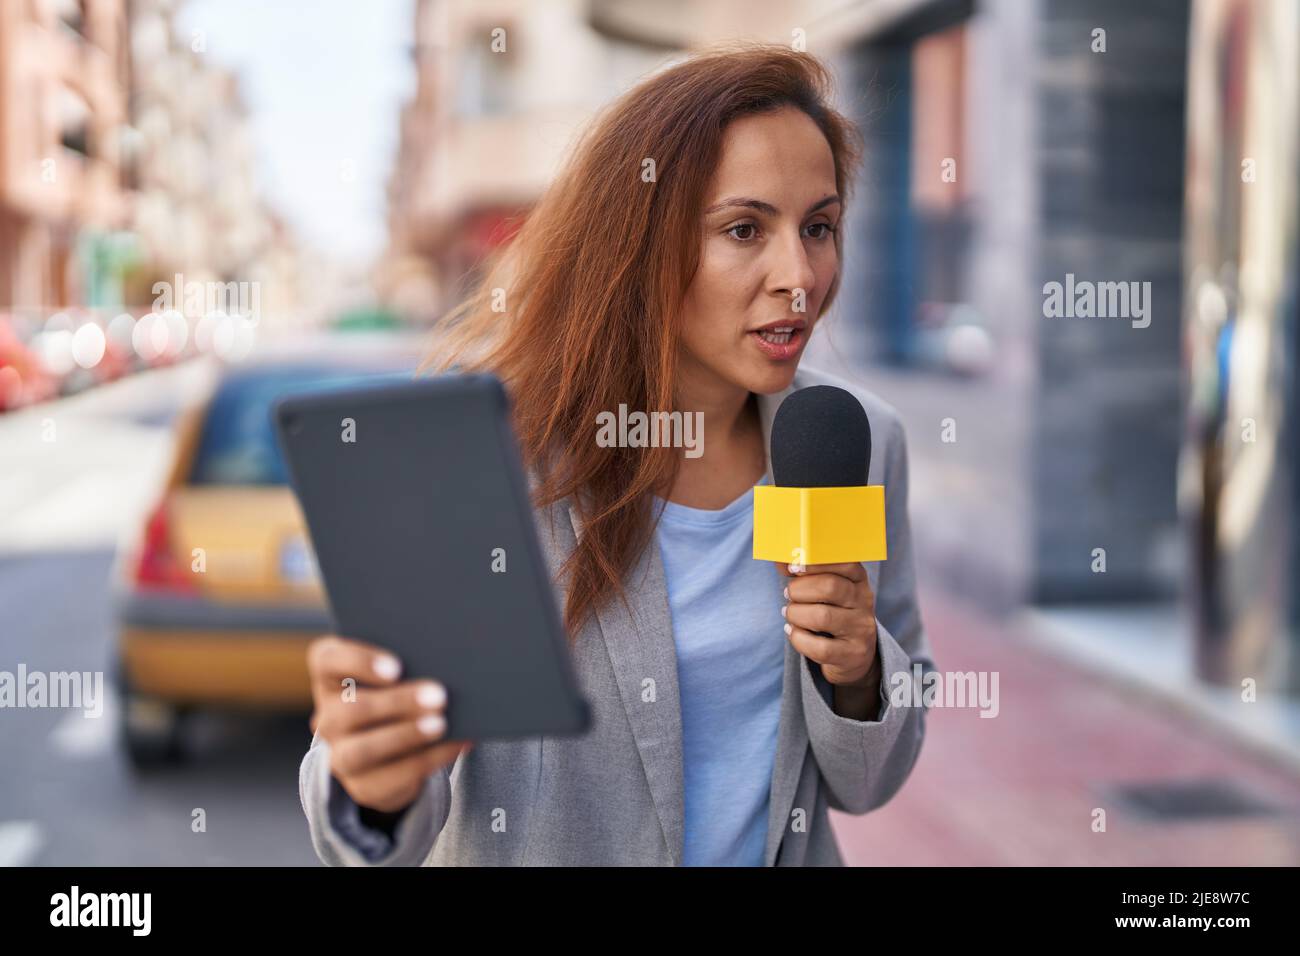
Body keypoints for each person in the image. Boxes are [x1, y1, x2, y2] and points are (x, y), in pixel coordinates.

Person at [299, 43, 935, 866]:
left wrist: (859, 673)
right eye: (745, 229)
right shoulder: (495, 454)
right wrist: (372, 783)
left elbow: (870, 777)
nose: (800, 275)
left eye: (819, 227)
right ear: (641, 241)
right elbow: (376, 820)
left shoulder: (857, 439)